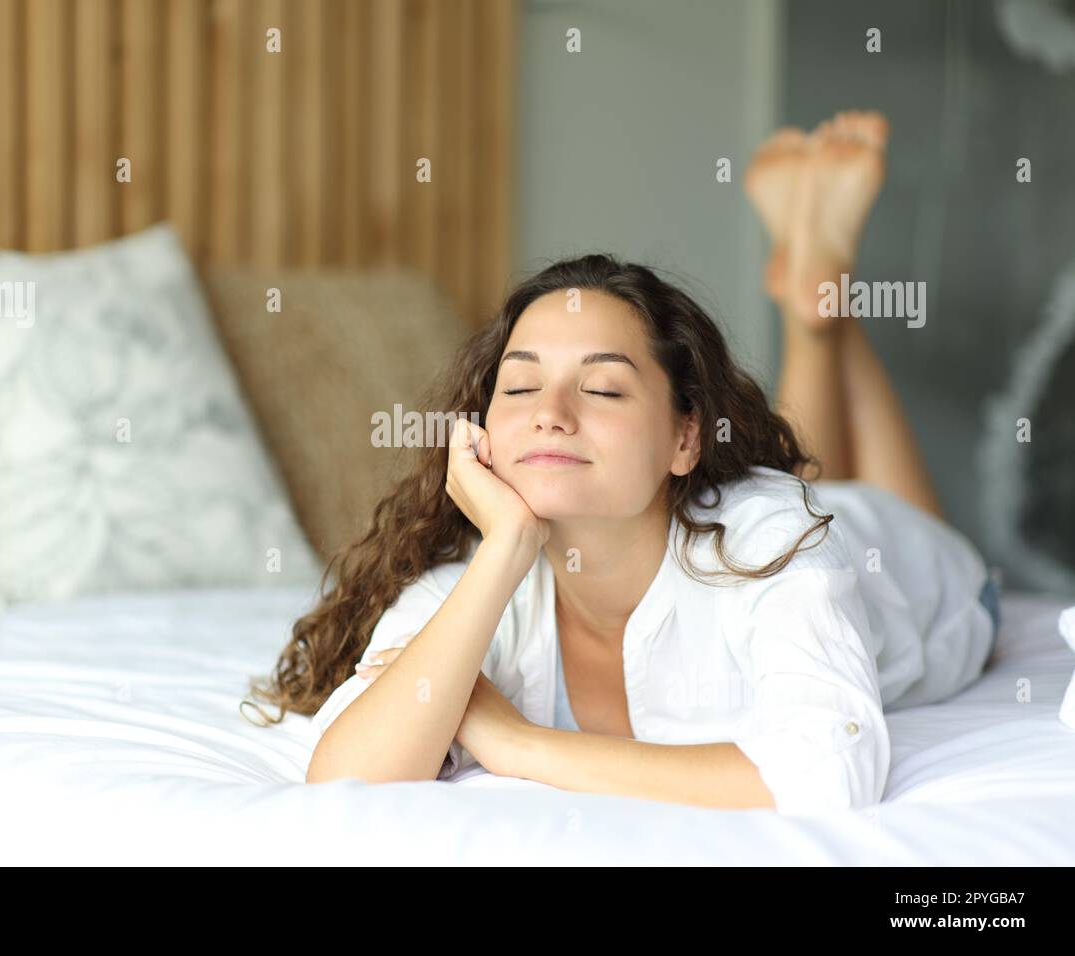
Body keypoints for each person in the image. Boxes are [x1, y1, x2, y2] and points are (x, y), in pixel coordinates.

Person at [256, 110, 998, 815]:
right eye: (519, 385)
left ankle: (824, 317)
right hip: (777, 513)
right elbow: (346, 773)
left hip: (903, 562)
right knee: (809, 488)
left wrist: (516, 743)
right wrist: (505, 551)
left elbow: (830, 774)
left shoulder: (779, 540)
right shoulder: (473, 592)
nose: (551, 410)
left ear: (685, 438)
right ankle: (818, 305)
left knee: (824, 498)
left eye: (604, 386)